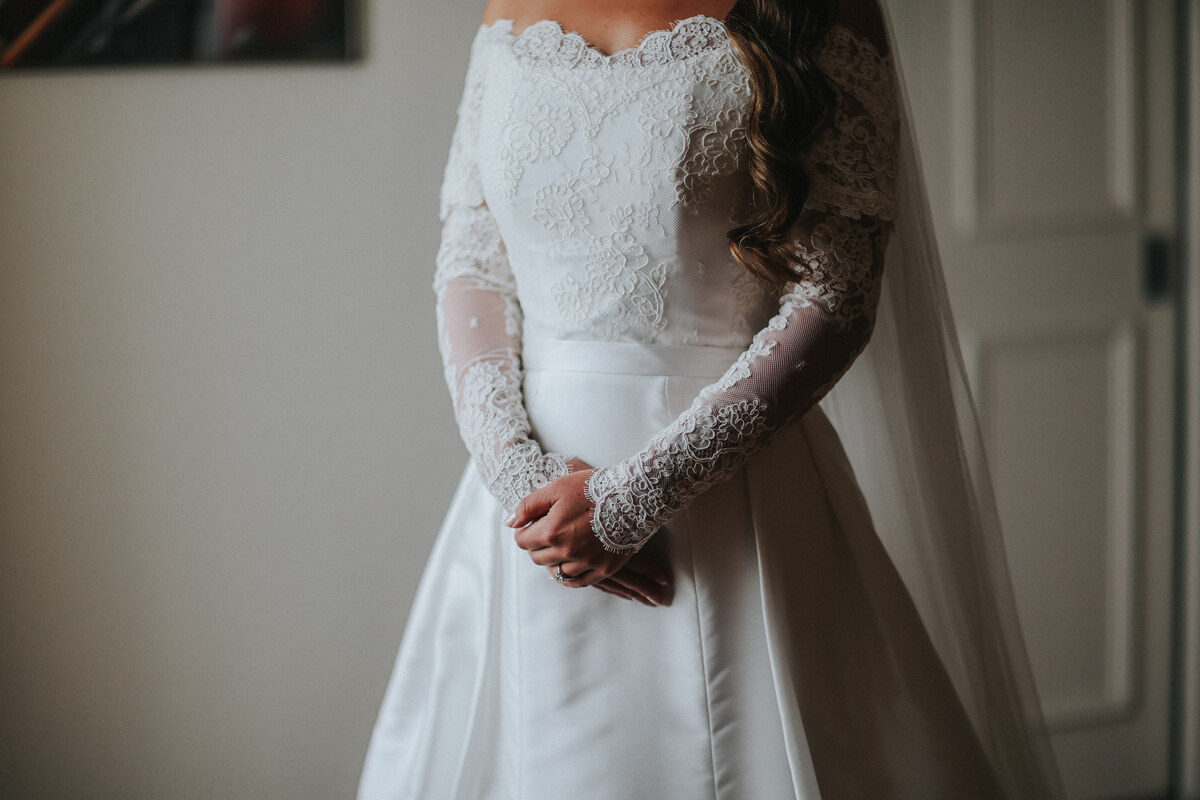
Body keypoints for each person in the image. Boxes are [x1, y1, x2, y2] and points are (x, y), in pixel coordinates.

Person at [358, 1, 1066, 797]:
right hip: (533, 511)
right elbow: (471, 257)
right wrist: (516, 477)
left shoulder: (822, 12)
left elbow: (836, 291)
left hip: (731, 490)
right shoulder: (509, 9)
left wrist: (634, 497)